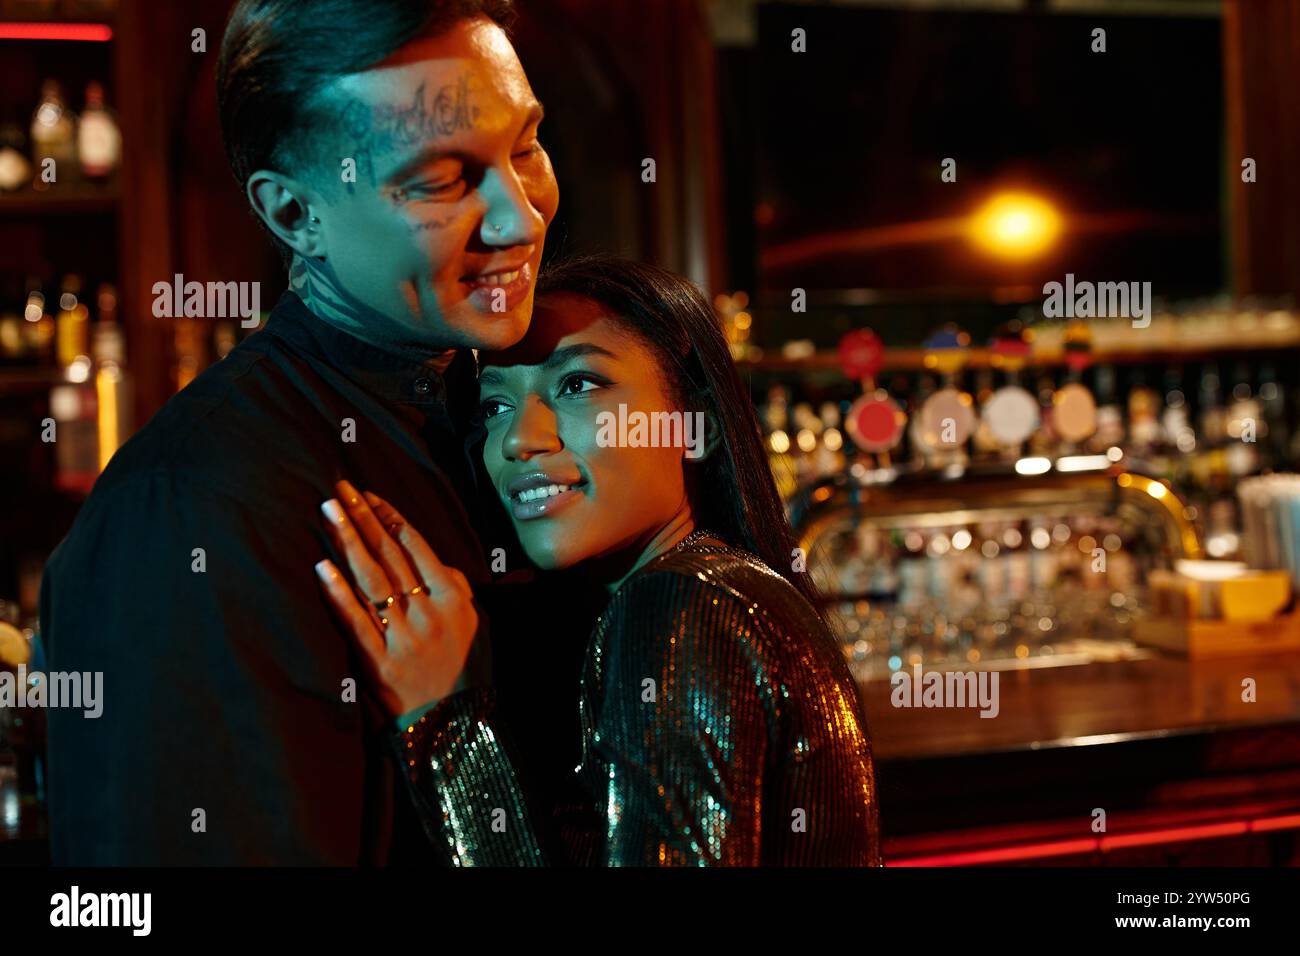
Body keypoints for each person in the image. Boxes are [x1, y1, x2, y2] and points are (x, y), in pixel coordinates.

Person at [39, 0, 559, 864]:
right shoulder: (187, 511)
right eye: (441, 181)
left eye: (527, 147)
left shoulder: (512, 412)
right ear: (292, 216)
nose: (521, 218)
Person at [316, 256, 882, 865]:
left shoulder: (683, 603)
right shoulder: (719, 594)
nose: (518, 439)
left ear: (699, 428)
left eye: (578, 384)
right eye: (495, 407)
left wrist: (449, 727)